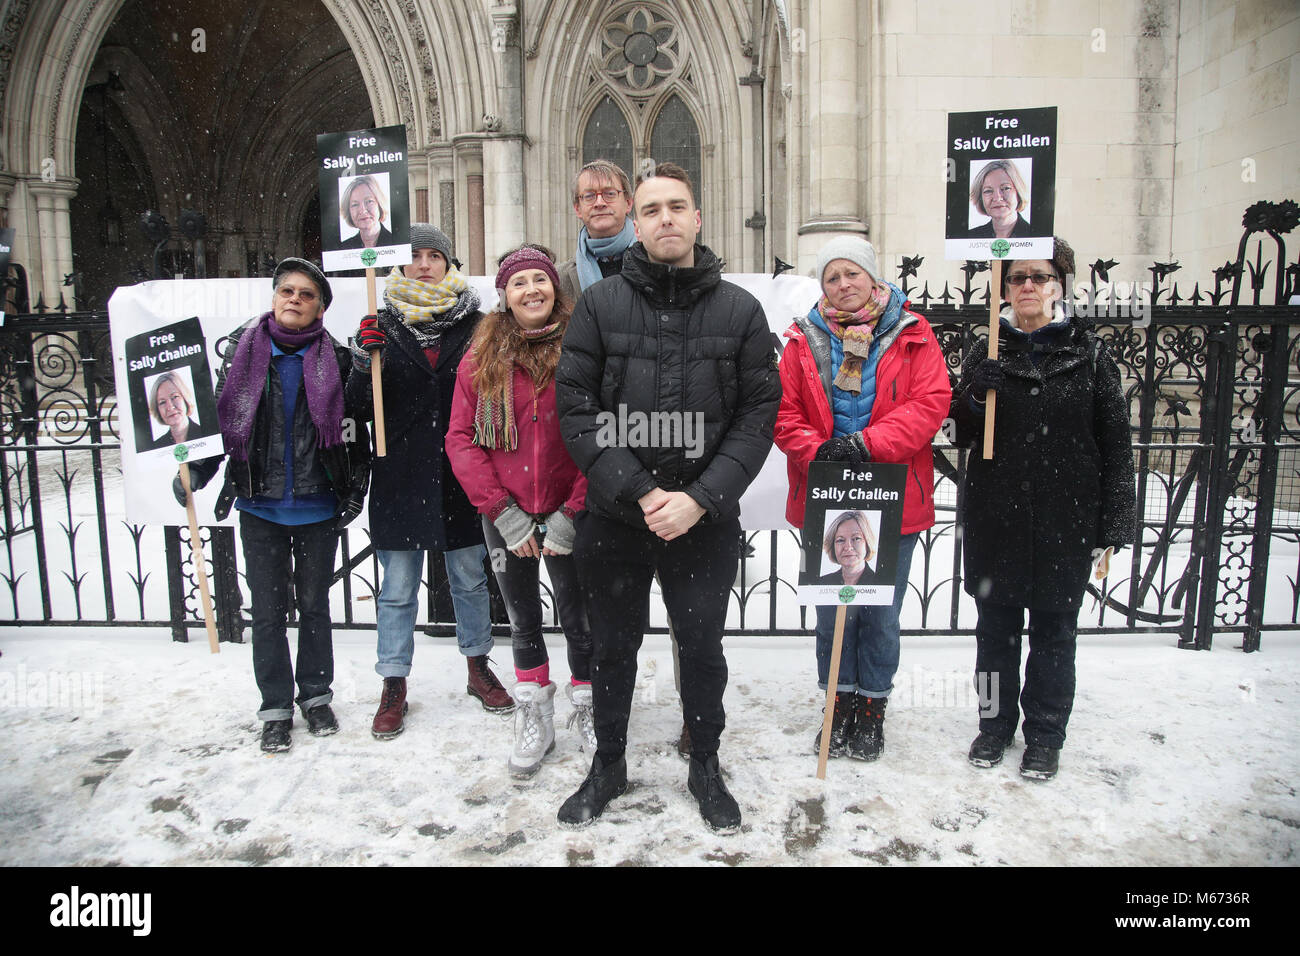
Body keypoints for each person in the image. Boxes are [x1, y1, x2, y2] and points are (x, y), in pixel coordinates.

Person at [554, 162, 781, 832]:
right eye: (651, 210)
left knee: (702, 647)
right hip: (618, 518)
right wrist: (645, 491)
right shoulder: (600, 306)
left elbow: (757, 416)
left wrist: (701, 498)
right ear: (636, 220)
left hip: (704, 523)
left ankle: (705, 764)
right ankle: (609, 765)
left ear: (697, 217)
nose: (666, 220)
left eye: (677, 207)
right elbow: (577, 408)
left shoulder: (739, 310)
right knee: (611, 650)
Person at [950, 236, 1135, 780]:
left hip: (1066, 519)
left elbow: (1116, 442)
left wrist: (1116, 521)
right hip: (997, 518)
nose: (1027, 286)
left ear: (1059, 285)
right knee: (995, 631)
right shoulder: (984, 351)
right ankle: (994, 726)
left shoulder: (1091, 354)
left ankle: (1046, 734)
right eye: (1017, 278)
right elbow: (958, 433)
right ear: (1003, 288)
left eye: (1040, 276)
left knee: (1056, 632)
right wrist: (970, 395)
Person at [178, 258, 370, 753]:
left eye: (307, 294)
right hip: (260, 506)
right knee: (266, 613)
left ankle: (316, 697)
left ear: (320, 307)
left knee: (313, 607)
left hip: (317, 506)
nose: (294, 300)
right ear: (273, 297)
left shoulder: (341, 361)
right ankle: (275, 709)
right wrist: (195, 472)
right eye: (287, 290)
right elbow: (222, 426)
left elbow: (359, 429)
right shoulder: (244, 357)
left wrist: (355, 489)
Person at [774, 236, 950, 761]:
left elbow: (930, 402)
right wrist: (822, 453)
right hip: (827, 498)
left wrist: (867, 445)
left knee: (879, 614)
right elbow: (784, 416)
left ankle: (872, 708)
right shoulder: (803, 340)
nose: (844, 285)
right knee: (835, 615)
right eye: (832, 277)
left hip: (894, 499)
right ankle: (838, 705)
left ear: (873, 280)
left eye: (853, 274)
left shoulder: (913, 335)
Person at [348, 223, 513, 740]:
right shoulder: (382, 323)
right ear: (400, 264)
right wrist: (360, 359)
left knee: (469, 579)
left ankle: (477, 666)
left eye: (433, 255)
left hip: (462, 476)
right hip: (399, 473)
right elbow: (357, 406)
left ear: (449, 263)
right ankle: (393, 682)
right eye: (414, 255)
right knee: (396, 590)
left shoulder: (479, 324)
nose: (424, 263)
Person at [559, 157, 694, 758]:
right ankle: (605, 737)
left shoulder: (701, 284)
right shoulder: (565, 281)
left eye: (610, 193)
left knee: (695, 630)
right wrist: (626, 480)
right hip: (599, 466)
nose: (598, 202)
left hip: (682, 478)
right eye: (586, 195)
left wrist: (695, 491)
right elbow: (572, 392)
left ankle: (695, 714)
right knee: (609, 627)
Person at [447, 245, 593, 778]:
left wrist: (573, 511)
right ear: (504, 296)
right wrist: (501, 511)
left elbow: (600, 434)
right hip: (504, 513)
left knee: (581, 618)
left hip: (570, 511)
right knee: (523, 619)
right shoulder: (480, 359)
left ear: (555, 287)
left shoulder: (582, 350)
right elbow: (461, 439)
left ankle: (588, 705)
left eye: (540, 279)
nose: (531, 289)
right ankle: (534, 710)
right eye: (518, 282)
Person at [557, 159, 636, 304]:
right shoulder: (559, 280)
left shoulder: (656, 263)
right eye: (589, 196)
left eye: (610, 194)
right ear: (577, 209)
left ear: (628, 203)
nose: (599, 203)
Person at [966, 159, 1032, 240]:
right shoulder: (969, 237)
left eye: (1005, 188)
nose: (997, 198)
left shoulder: (1036, 235)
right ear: (980, 198)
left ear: (1019, 192)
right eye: (988, 191)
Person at [819, 511, 881, 586]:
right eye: (840, 540)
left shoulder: (880, 584)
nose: (848, 547)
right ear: (832, 546)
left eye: (856, 538)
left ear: (867, 543)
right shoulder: (822, 583)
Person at [338, 175, 393, 250]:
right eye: (355, 204)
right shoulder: (343, 248)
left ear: (380, 204)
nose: (362, 210)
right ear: (348, 211)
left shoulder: (397, 242)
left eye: (369, 201)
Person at [147, 371, 199, 448]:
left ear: (185, 398)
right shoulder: (156, 447)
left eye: (174, 397)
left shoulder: (206, 435)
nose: (170, 407)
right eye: (162, 402)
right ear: (157, 410)